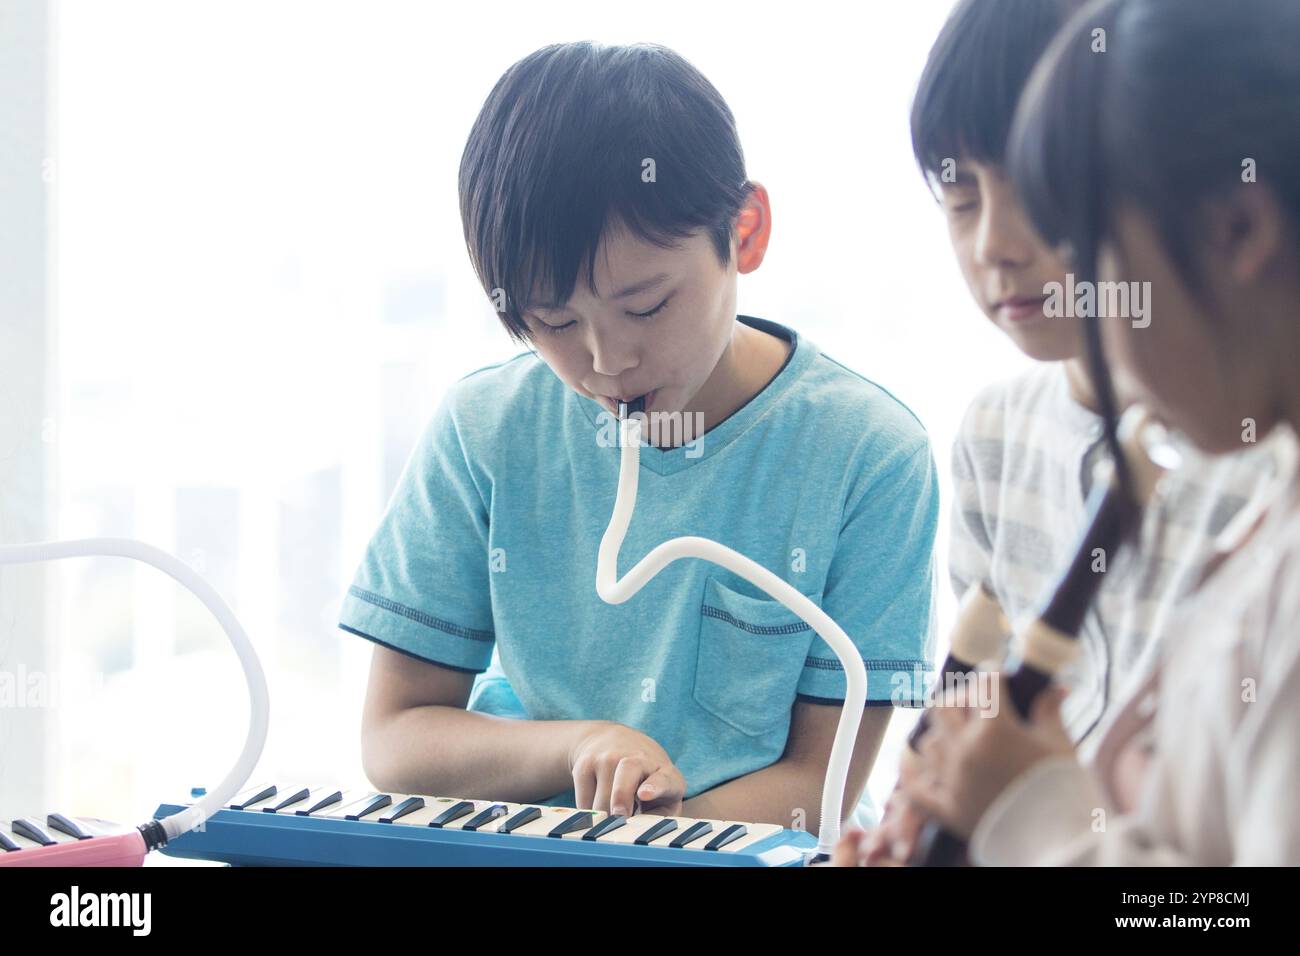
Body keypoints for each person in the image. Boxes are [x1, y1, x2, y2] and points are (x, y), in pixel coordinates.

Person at [341, 42, 940, 834]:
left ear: (747, 232)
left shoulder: (868, 455)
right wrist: (582, 746)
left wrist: (641, 842)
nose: (605, 363)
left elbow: (814, 789)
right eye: (553, 322)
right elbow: (396, 736)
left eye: (648, 306)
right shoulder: (486, 428)